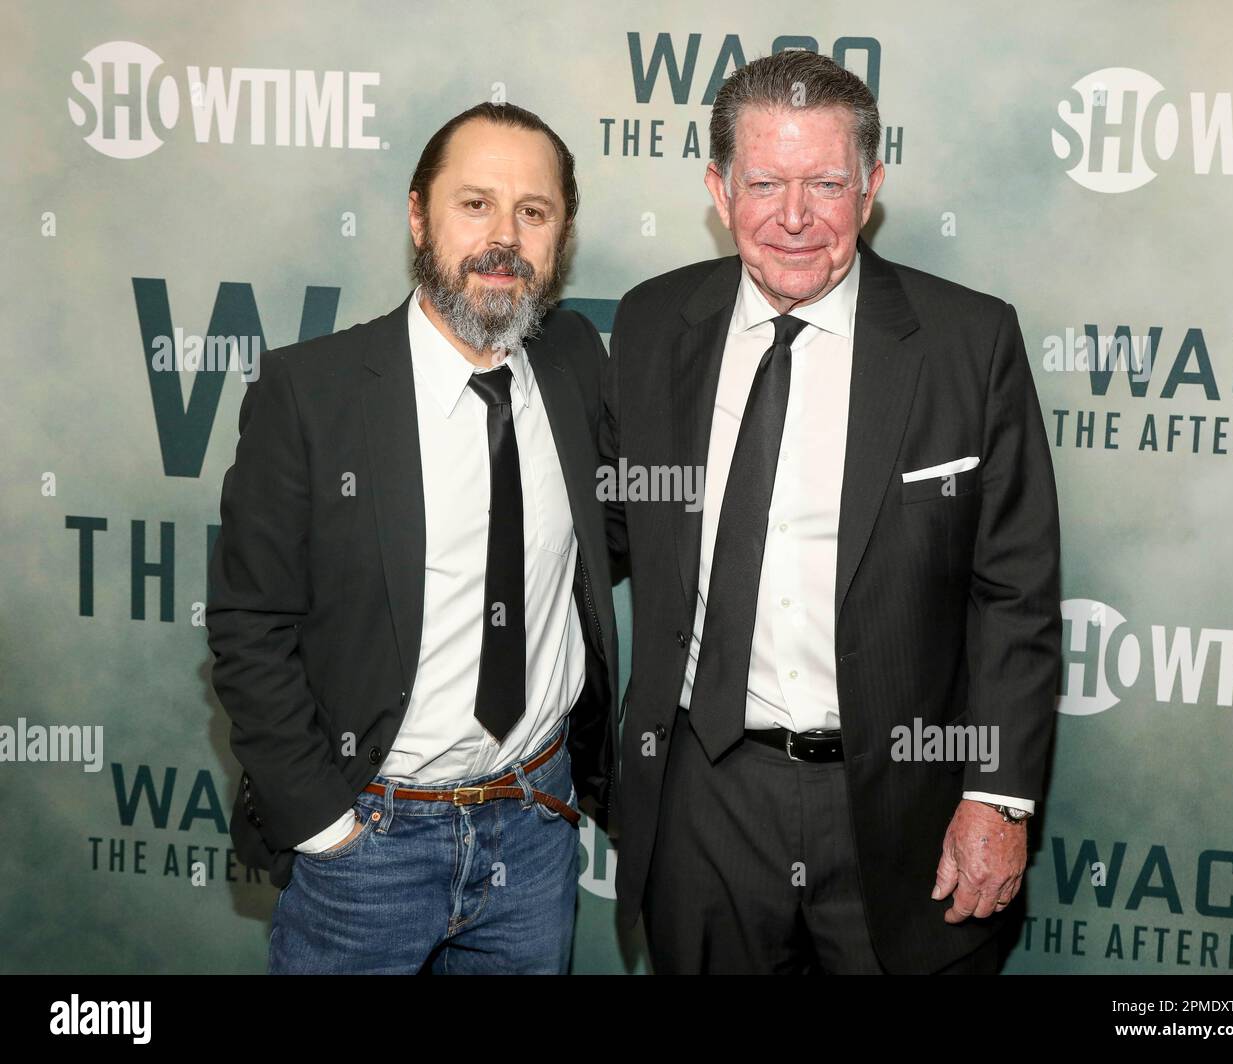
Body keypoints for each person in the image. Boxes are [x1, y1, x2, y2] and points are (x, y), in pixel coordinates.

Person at [602, 50, 1061, 973]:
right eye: (765, 183)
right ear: (719, 188)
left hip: (905, 807)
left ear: (872, 185)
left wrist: (1000, 800)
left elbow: (1015, 592)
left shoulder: (967, 342)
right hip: (703, 799)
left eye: (826, 183)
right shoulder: (654, 325)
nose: (795, 218)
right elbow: (597, 528)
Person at [207, 101, 618, 974]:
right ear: (417, 215)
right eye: (475, 204)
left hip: (535, 831)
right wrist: (327, 830)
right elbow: (249, 627)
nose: (503, 237)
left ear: (561, 235)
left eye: (532, 212)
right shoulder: (310, 395)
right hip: (371, 845)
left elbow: (602, 540)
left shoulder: (577, 358)